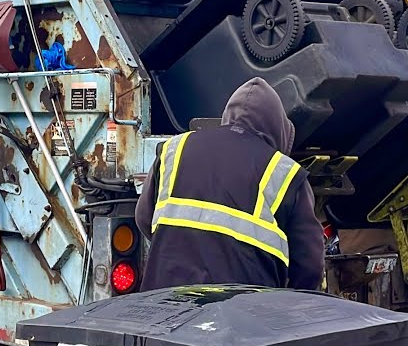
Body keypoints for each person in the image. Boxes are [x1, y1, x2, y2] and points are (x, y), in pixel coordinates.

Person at [134, 77, 324, 291]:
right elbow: (310, 265)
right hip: (244, 308)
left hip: (166, 302)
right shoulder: (285, 173)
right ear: (279, 129)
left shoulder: (175, 148)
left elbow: (143, 218)